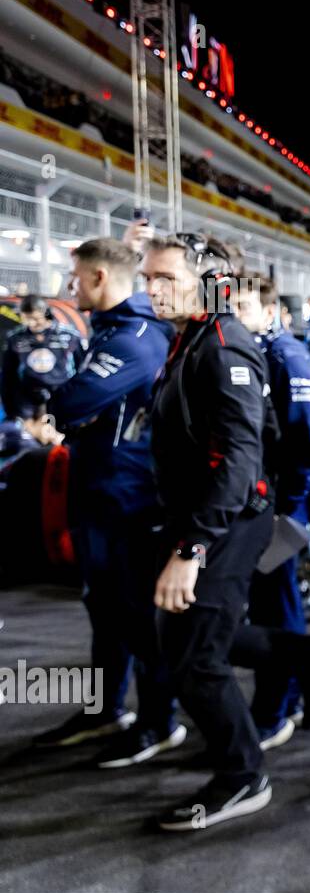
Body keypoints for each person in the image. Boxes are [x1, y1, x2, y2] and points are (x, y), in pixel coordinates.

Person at [145, 233, 310, 830]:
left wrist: (192, 548)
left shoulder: (224, 345)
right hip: (207, 518)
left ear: (209, 281)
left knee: (196, 658)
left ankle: (242, 775)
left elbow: (238, 460)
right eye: (147, 276)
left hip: (227, 522)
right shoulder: (191, 335)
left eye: (165, 278)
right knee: (192, 638)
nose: (152, 288)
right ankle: (309, 657)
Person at [35, 240, 180, 765]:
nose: (70, 288)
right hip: (98, 491)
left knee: (138, 617)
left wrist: (72, 406)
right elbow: (74, 408)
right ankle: (105, 709)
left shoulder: (138, 337)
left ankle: (159, 722)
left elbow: (67, 400)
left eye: (76, 278)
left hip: (129, 500)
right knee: (104, 609)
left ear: (98, 277)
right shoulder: (111, 331)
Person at [231, 275, 310, 747]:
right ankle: (287, 695)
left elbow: (304, 442)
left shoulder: (285, 356)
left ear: (269, 311)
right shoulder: (249, 350)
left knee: (278, 605)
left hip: (281, 505)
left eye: (244, 306)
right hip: (258, 504)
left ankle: (280, 706)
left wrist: (290, 512)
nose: (234, 314)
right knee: (270, 602)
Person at [2, 295, 82, 420]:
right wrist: (10, 407)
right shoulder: (16, 338)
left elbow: (81, 367)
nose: (32, 323)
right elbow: (8, 374)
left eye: (35, 318)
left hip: (60, 395)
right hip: (27, 398)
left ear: (45, 313)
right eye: (27, 318)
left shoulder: (69, 335)